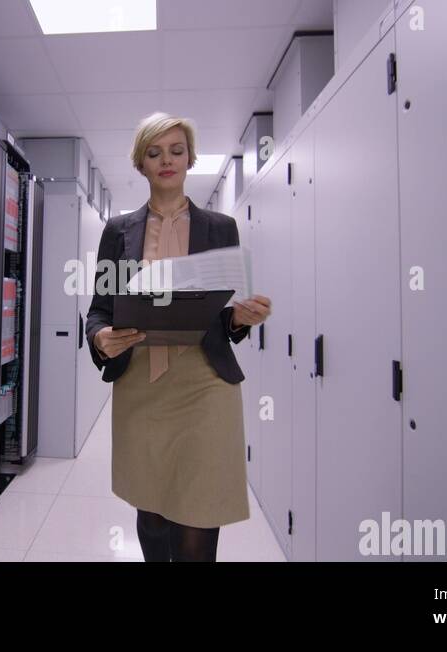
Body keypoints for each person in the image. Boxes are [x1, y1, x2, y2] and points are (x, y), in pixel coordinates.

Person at [84, 112, 271, 562]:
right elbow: (99, 309)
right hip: (141, 383)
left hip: (204, 382)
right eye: (154, 153)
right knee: (152, 513)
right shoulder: (118, 231)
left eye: (175, 151)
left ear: (189, 160)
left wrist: (242, 317)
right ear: (140, 164)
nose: (166, 160)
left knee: (200, 515)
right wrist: (100, 338)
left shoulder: (220, 227)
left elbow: (224, 317)